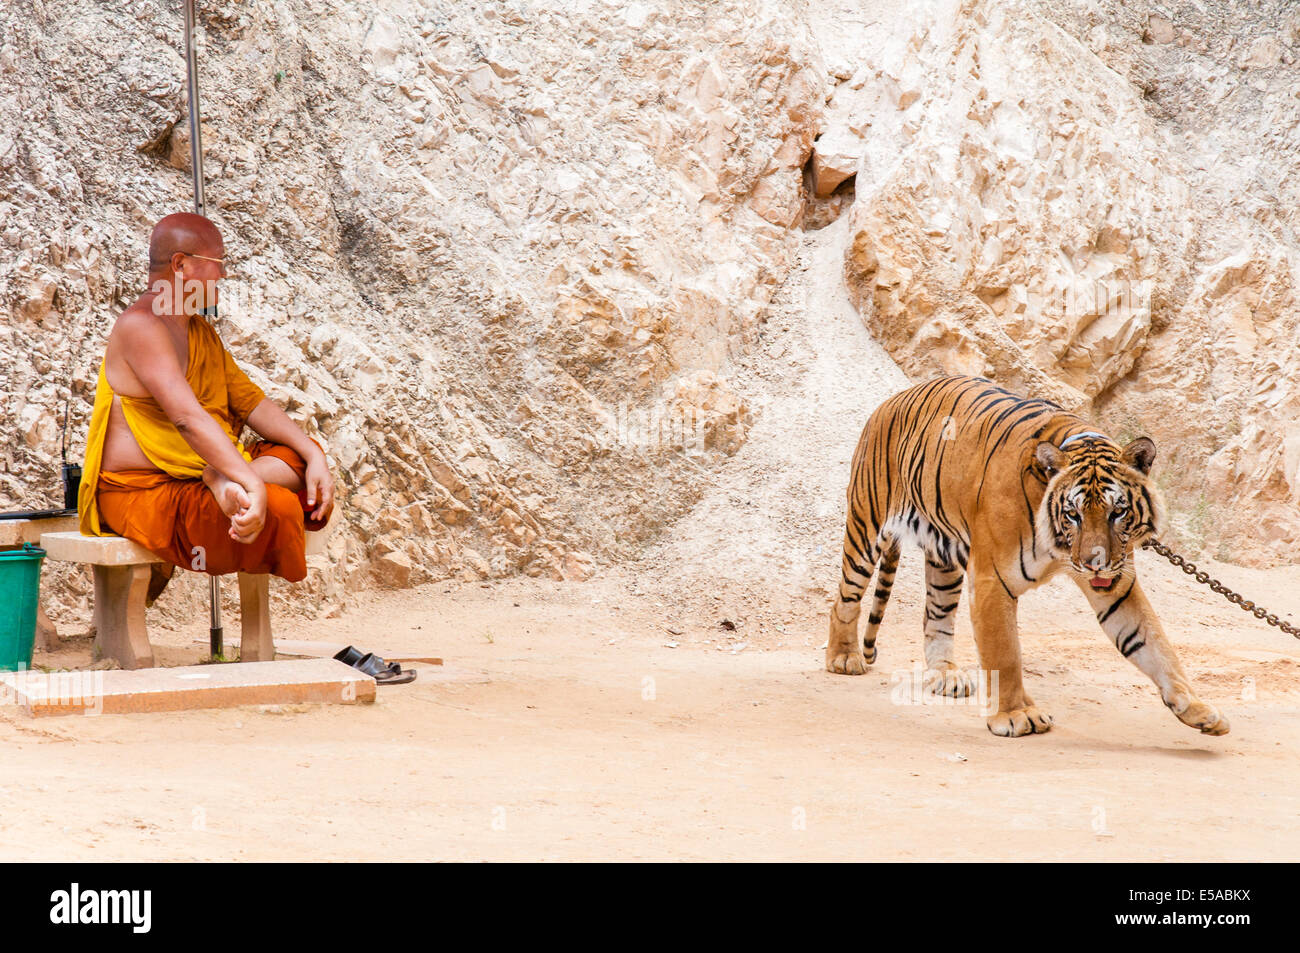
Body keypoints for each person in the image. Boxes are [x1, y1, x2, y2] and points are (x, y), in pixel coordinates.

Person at [78, 212, 334, 600]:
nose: (224, 276)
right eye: (219, 265)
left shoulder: (199, 331)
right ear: (181, 265)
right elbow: (186, 418)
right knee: (279, 506)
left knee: (299, 458)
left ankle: (222, 476)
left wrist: (313, 453)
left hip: (197, 476)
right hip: (145, 491)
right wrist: (250, 481)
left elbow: (251, 403)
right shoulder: (141, 326)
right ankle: (229, 477)